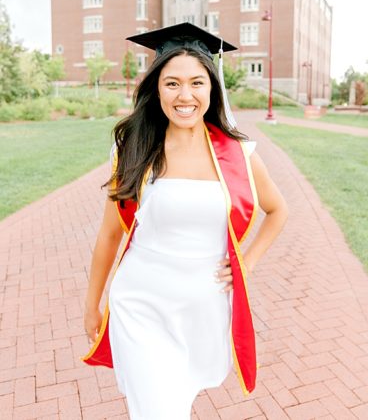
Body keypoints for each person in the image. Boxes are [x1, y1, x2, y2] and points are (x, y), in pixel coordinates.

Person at [81, 23, 288, 419]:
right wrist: (92, 305)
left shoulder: (240, 155)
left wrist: (248, 261)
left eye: (196, 83)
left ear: (212, 90)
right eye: (172, 84)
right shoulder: (135, 152)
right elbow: (109, 235)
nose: (185, 96)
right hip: (141, 303)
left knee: (175, 405)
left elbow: (278, 210)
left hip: (203, 307)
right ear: (156, 89)